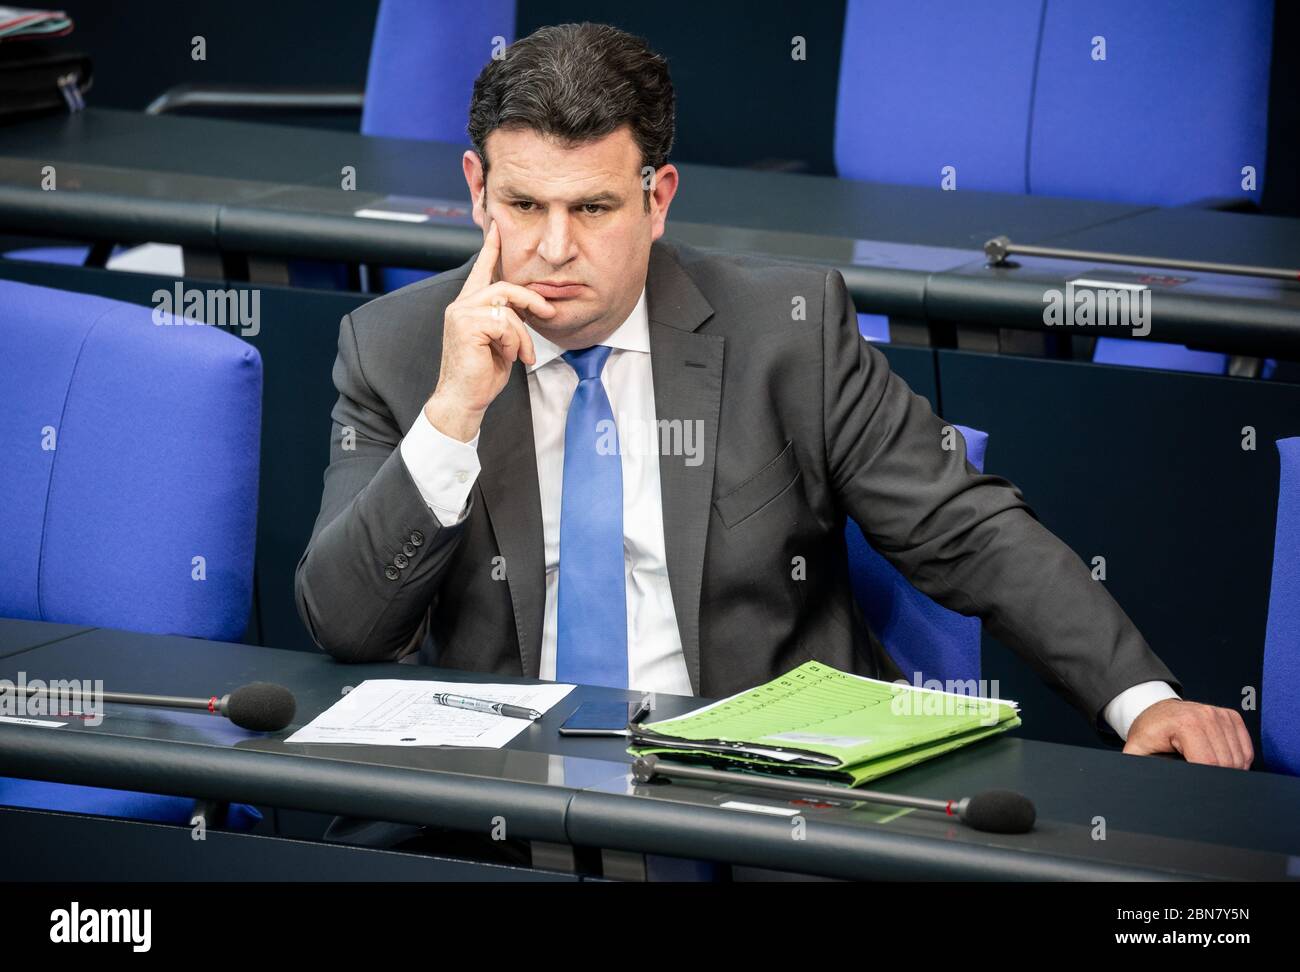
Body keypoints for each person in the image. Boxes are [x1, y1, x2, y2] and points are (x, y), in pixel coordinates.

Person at [296, 22, 1252, 769]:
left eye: (593, 208)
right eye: (523, 206)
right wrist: (451, 415)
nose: (553, 249)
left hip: (754, 799)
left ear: (658, 198)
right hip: (501, 810)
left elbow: (964, 528)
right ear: (475, 188)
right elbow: (345, 625)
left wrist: (1143, 697)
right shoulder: (398, 347)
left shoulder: (785, 329)